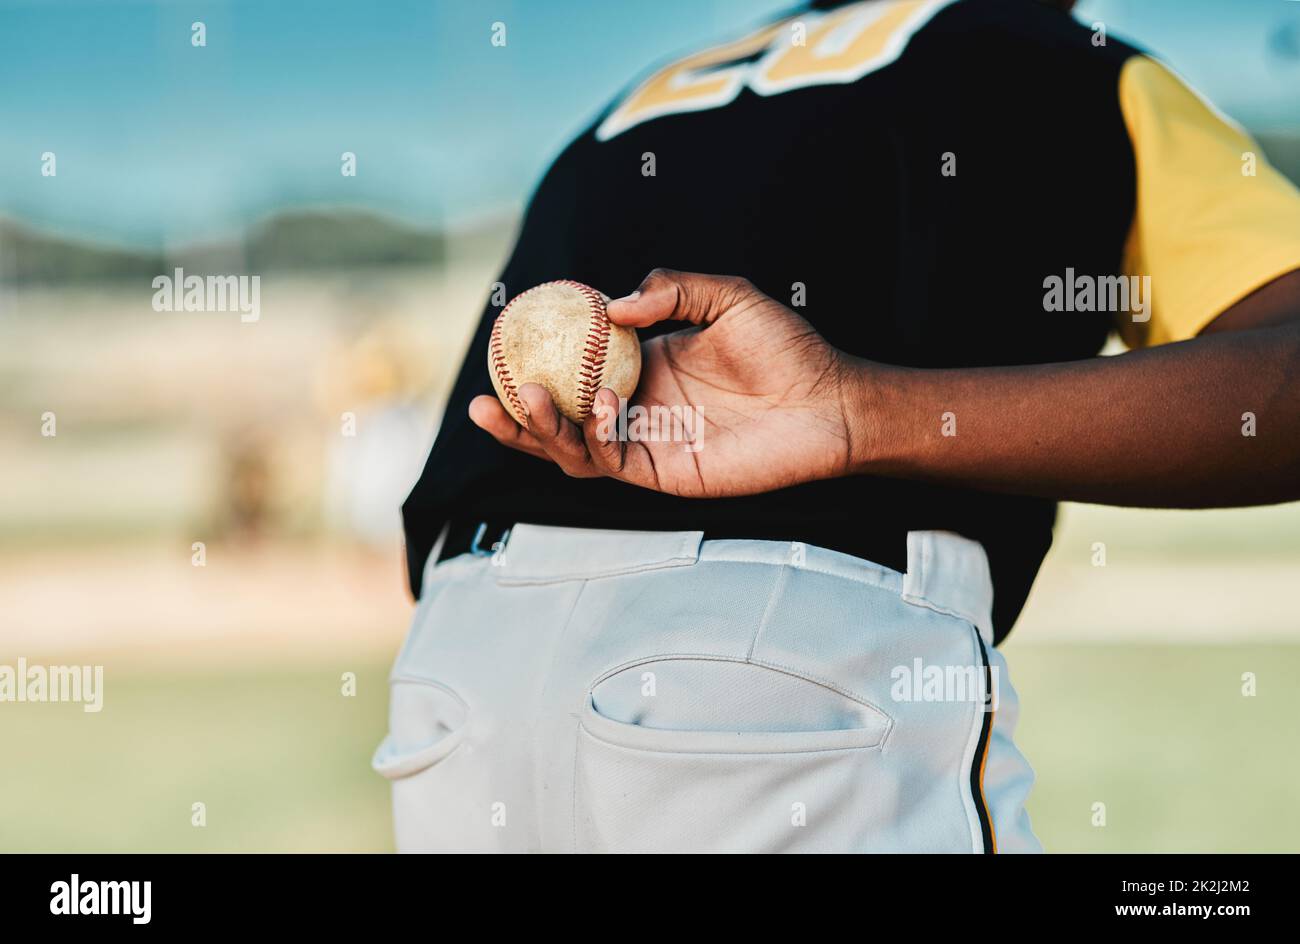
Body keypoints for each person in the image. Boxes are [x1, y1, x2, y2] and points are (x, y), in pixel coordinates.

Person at [374, 0, 1300, 852]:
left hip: (458, 682)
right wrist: (859, 413)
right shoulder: (1073, 63)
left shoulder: (635, 103)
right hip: (781, 664)